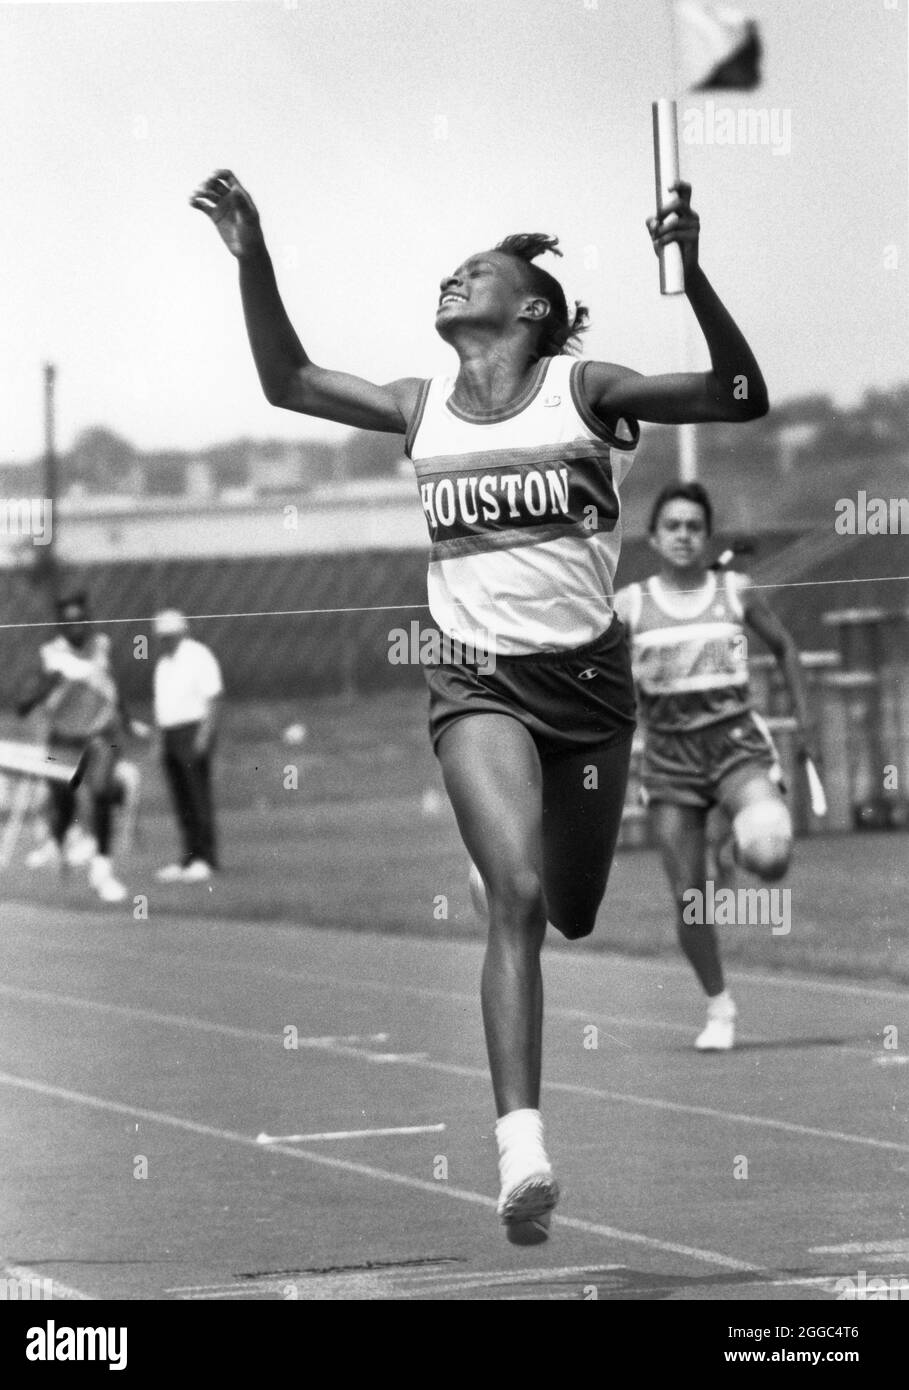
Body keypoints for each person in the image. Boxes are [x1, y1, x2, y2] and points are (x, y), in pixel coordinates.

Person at [191, 167, 768, 1241]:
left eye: (479, 272)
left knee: (576, 905)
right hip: (479, 680)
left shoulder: (586, 392)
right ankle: (521, 1149)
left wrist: (695, 283)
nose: (454, 279)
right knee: (515, 897)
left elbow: (742, 396)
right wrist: (253, 257)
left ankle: (522, 849)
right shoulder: (419, 407)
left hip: (589, 686)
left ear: (532, 308)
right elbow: (290, 380)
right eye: (451, 272)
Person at [615, 483, 819, 1050]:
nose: (683, 535)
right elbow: (594, 674)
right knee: (689, 896)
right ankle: (719, 1006)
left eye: (694, 526)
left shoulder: (736, 590)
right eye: (673, 526)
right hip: (670, 765)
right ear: (655, 537)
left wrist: (806, 723)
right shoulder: (630, 605)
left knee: (771, 856)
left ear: (707, 537)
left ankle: (731, 847)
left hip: (736, 751)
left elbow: (785, 649)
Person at [16, 592, 134, 903]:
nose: (76, 626)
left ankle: (102, 870)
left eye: (81, 619)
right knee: (63, 801)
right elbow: (23, 706)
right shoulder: (50, 655)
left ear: (88, 620)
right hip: (63, 737)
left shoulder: (102, 647)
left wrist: (127, 720)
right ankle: (59, 842)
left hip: (99, 734)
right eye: (69, 621)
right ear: (61, 625)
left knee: (101, 792)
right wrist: (48, 685)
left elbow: (113, 688)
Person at [152, 609, 223, 883]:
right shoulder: (163, 664)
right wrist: (159, 740)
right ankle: (189, 855)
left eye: (170, 636)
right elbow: (162, 705)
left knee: (197, 795)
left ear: (182, 632)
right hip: (170, 733)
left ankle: (206, 857)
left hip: (192, 730)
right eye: (162, 637)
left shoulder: (198, 656)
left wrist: (204, 735)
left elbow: (213, 697)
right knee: (181, 797)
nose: (166, 641)